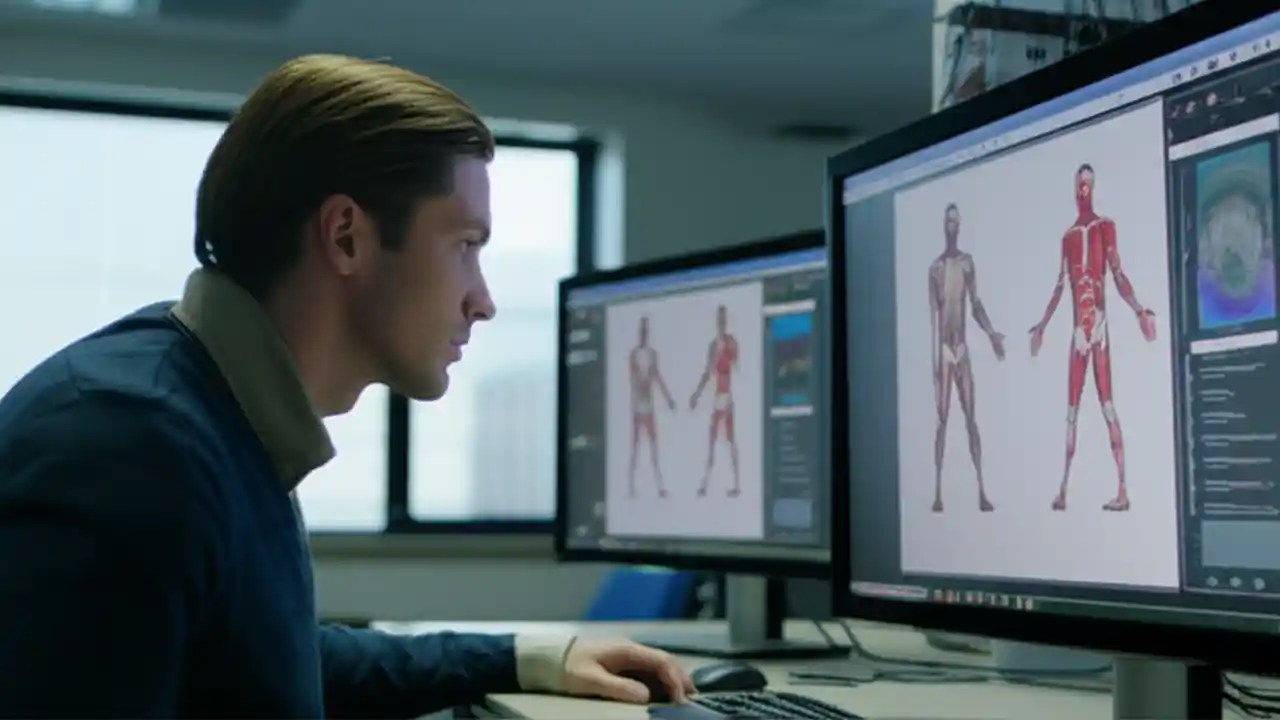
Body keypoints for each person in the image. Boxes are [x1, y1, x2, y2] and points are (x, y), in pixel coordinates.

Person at [0, 54, 693, 716]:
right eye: (464, 247)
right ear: (346, 237)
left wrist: (527, 658)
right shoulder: (129, 451)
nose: (482, 301)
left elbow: (274, 658)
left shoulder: (208, 404)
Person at [1029, 163, 1157, 513]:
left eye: (1087, 184)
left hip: (1097, 329)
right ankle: (1063, 490)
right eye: (1079, 185)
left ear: (1093, 187)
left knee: (1107, 405)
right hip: (1077, 333)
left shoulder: (1104, 228)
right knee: (1070, 411)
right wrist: (1041, 325)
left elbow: (1116, 273)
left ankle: (1122, 490)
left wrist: (1137, 309)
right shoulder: (1068, 237)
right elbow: (1059, 286)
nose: (1083, 190)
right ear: (1074, 190)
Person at [929, 203, 1004, 514]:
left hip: (961, 347)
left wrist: (991, 333)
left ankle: (982, 491)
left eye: (955, 221)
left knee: (971, 418)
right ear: (943, 225)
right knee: (943, 419)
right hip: (944, 349)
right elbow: (933, 318)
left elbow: (975, 304)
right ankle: (937, 493)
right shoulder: (934, 268)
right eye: (948, 221)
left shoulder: (967, 263)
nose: (952, 226)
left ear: (959, 226)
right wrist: (935, 361)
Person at [689, 305, 740, 497]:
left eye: (723, 319)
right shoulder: (713, 346)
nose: (722, 322)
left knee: (730, 439)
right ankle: (705, 483)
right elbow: (708, 372)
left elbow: (737, 367)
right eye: (719, 319)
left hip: (727, 397)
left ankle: (736, 483)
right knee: (711, 439)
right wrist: (697, 394)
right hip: (717, 397)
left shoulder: (730, 343)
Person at [629, 316, 675, 497]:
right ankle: (632, 485)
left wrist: (668, 398)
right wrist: (642, 382)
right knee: (636, 445)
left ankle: (659, 485)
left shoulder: (652, 354)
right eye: (642, 330)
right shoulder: (634, 354)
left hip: (648, 406)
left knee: (654, 444)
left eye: (646, 330)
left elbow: (657, 377)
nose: (644, 333)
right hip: (637, 405)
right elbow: (634, 379)